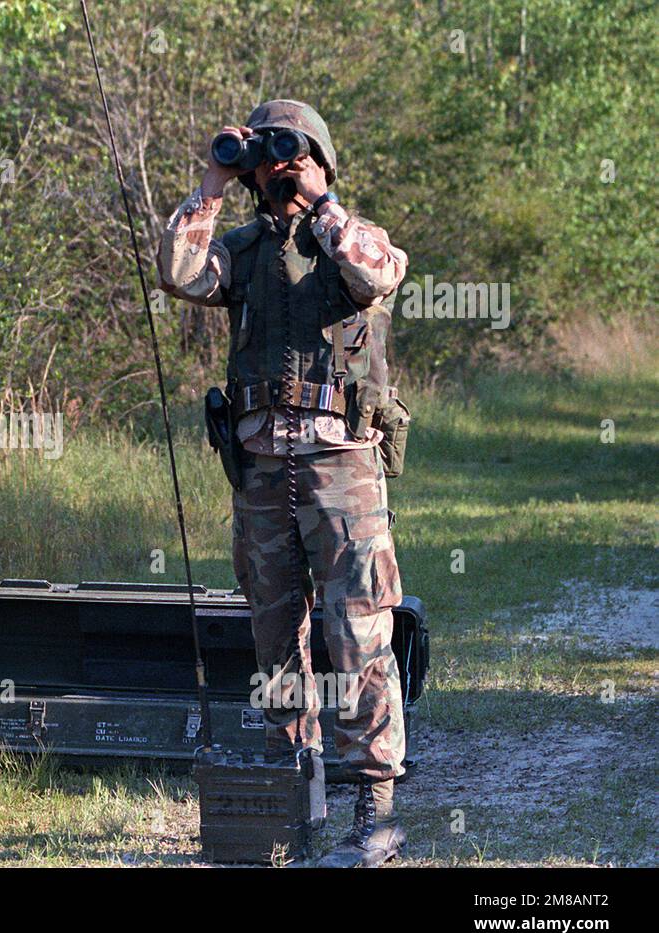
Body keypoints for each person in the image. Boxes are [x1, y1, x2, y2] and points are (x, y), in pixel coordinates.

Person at [157, 100, 412, 867]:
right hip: (263, 468)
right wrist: (214, 179)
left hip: (342, 468)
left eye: (290, 154)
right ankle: (288, 781)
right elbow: (176, 273)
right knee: (275, 637)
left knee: (358, 633)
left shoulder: (353, 239)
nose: (274, 168)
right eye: (265, 158)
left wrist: (318, 197)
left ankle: (374, 806)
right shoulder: (239, 249)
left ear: (322, 162)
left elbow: (376, 271)